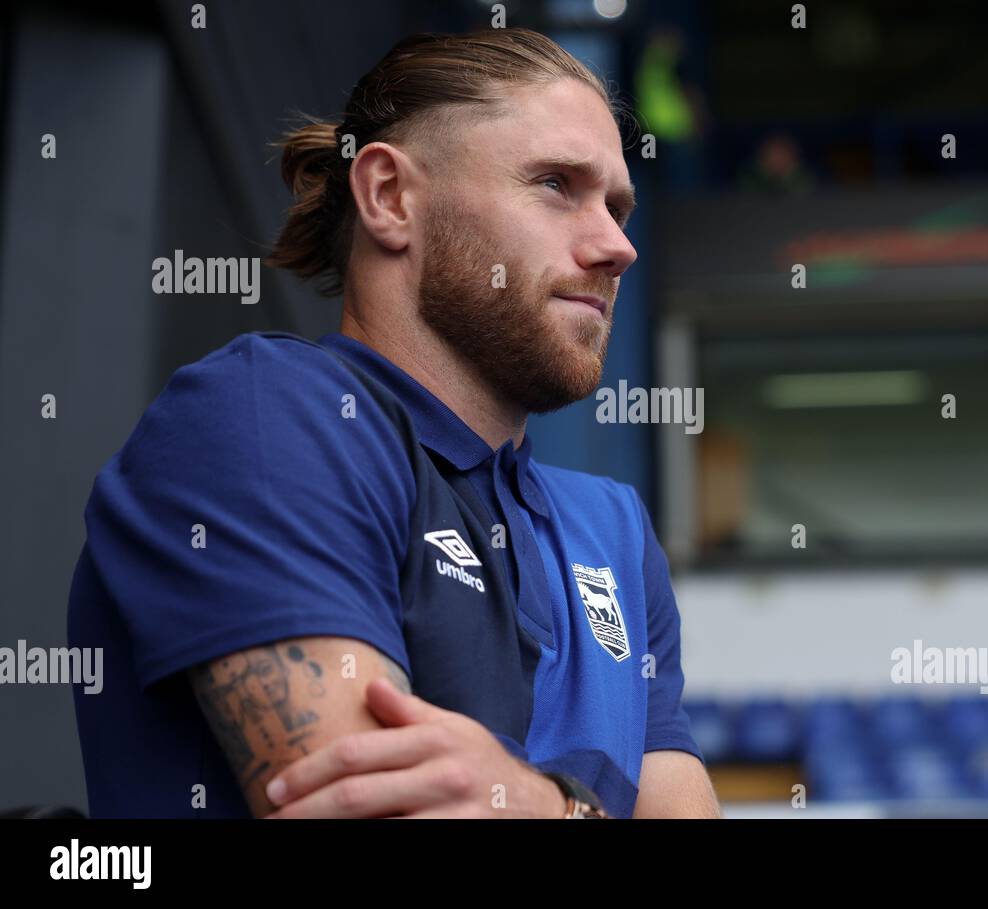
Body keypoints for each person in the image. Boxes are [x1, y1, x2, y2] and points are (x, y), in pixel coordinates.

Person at [67, 28, 721, 820]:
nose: (618, 246)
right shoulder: (263, 415)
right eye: (556, 184)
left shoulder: (613, 528)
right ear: (388, 196)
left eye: (618, 207)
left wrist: (537, 805)